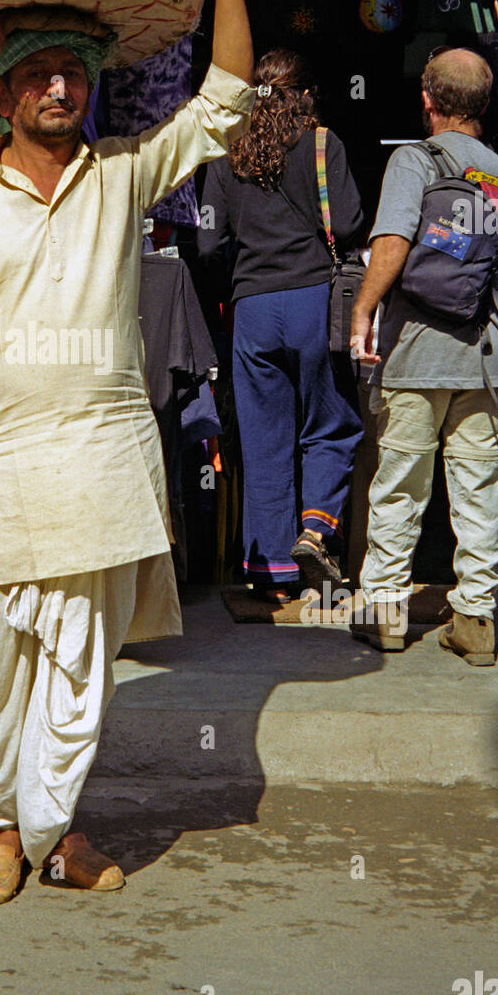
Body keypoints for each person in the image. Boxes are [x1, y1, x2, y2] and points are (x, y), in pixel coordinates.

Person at [0, 0, 255, 904]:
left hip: (100, 467)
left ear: (93, 85)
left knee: (81, 675)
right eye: (37, 72)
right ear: (4, 92)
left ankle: (48, 834)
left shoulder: (124, 178)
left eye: (73, 71)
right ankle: (7, 825)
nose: (58, 86)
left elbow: (225, 94)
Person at [198, 49, 365, 603]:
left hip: (254, 312)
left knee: (264, 440)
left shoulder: (228, 153)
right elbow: (346, 223)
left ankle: (272, 572)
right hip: (313, 302)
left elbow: (206, 242)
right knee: (330, 424)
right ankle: (315, 531)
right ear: (305, 93)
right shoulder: (322, 144)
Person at [350, 47, 498, 664]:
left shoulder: (413, 160)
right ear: (484, 108)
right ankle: (477, 621)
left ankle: (385, 612)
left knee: (400, 487)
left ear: (427, 102)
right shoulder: (495, 169)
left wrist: (363, 311)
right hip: (485, 362)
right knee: (478, 489)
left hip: (415, 356)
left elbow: (392, 241)